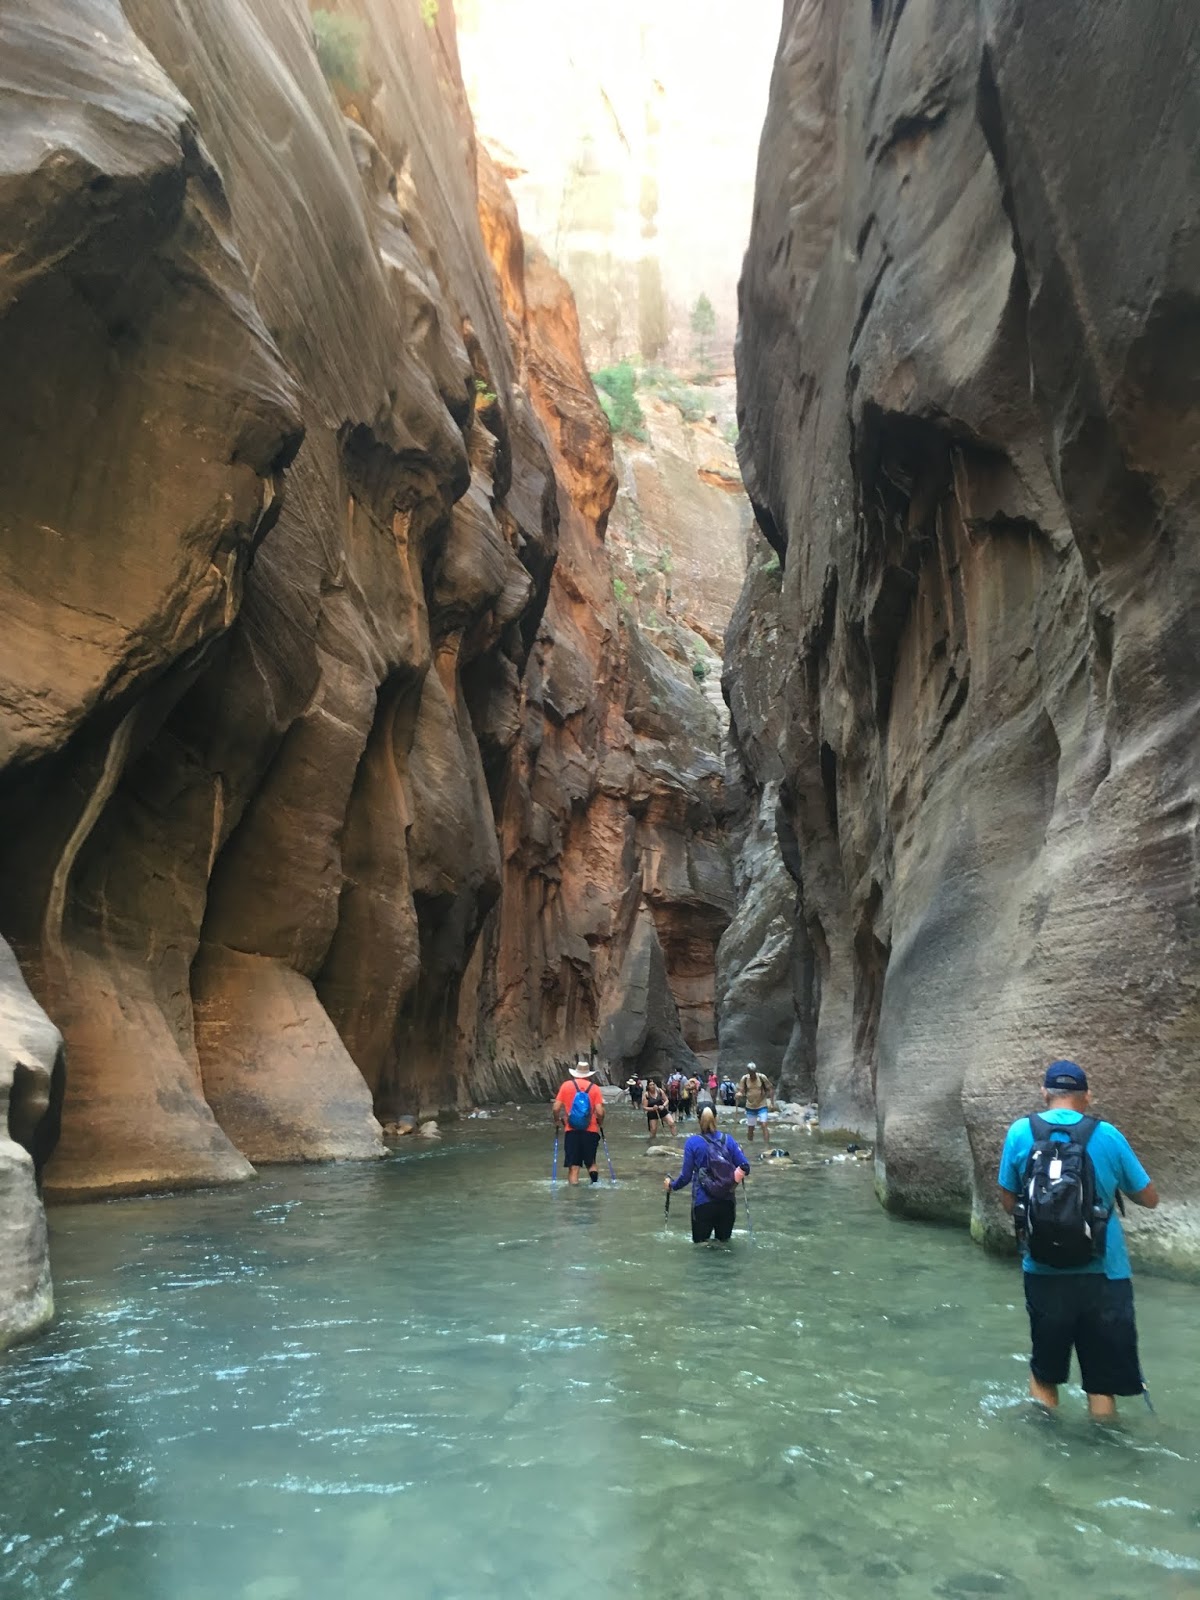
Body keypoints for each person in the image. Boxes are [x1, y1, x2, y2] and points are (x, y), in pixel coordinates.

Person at [997, 1059, 1159, 1420]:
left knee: (1044, 1371)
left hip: (1043, 1272)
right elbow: (1149, 1199)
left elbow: (1010, 1201)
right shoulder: (1108, 1135)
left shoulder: (1020, 1133)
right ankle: (1103, 1452)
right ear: (1086, 1096)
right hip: (1105, 1273)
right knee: (1101, 1381)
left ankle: (1044, 1443)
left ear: (1045, 1093)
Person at [664, 1107, 751, 1243]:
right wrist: (733, 1179)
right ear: (716, 1118)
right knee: (724, 1247)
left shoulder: (692, 1143)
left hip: (703, 1204)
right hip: (727, 1204)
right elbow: (745, 1167)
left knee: (700, 1248)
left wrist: (672, 1186)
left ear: (699, 1120)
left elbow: (685, 1177)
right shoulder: (729, 1140)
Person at [552, 1060, 606, 1185]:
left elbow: (556, 1108)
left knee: (574, 1166)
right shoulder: (595, 1088)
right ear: (588, 1074)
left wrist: (556, 1120)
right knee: (591, 1162)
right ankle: (594, 1185)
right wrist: (600, 1122)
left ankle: (574, 1197)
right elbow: (600, 1111)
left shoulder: (566, 1086)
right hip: (591, 1130)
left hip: (572, 1130)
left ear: (575, 1073)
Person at [736, 1063, 776, 1145]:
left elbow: (770, 1089)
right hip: (750, 1106)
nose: (753, 1075)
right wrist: (739, 1094)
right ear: (748, 1072)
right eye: (751, 1073)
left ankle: (766, 1145)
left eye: (753, 1072)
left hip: (762, 1105)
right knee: (751, 1128)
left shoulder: (762, 1077)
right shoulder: (744, 1079)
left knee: (764, 1124)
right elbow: (741, 1090)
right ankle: (750, 1145)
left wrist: (772, 1103)